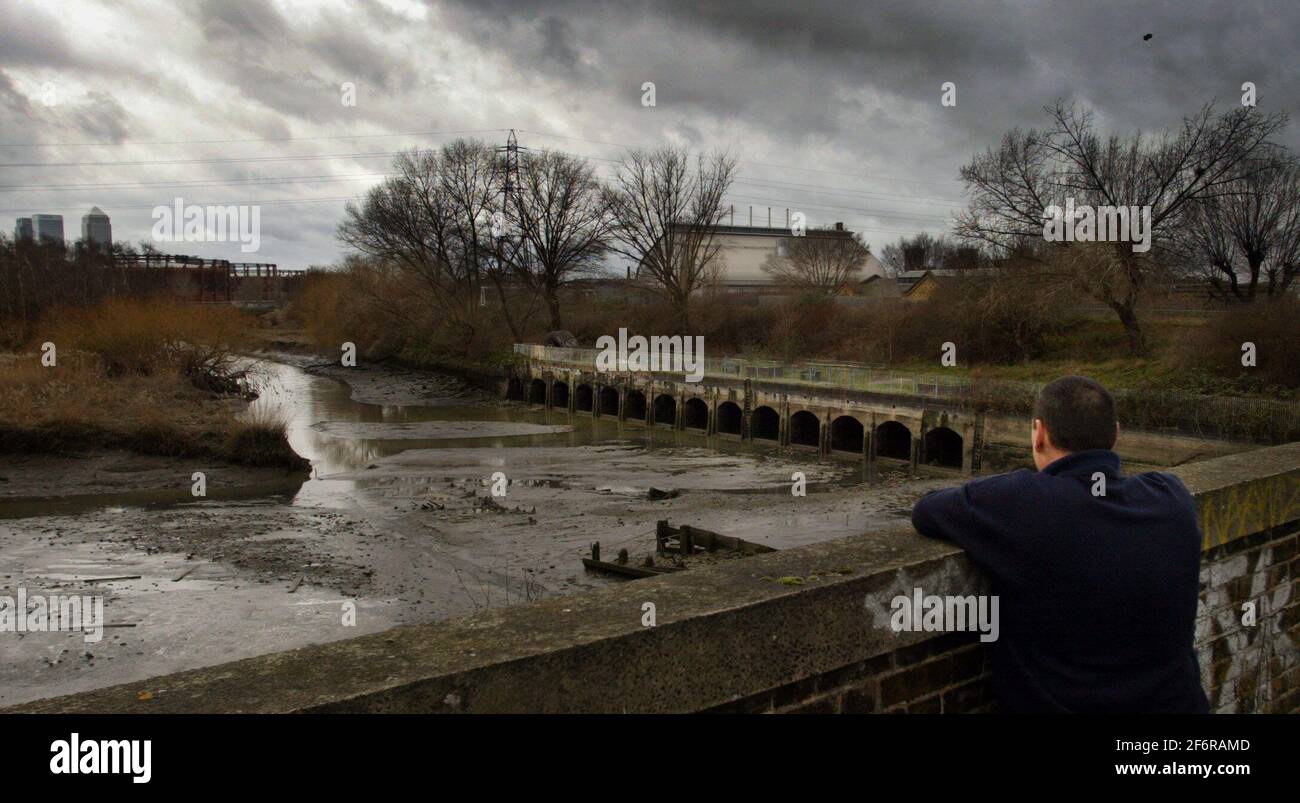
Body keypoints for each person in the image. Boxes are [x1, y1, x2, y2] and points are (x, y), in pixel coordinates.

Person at [911, 375, 1209, 713]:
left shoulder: (1020, 503)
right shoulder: (1171, 497)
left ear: (1039, 434)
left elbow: (926, 511)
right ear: (1115, 434)